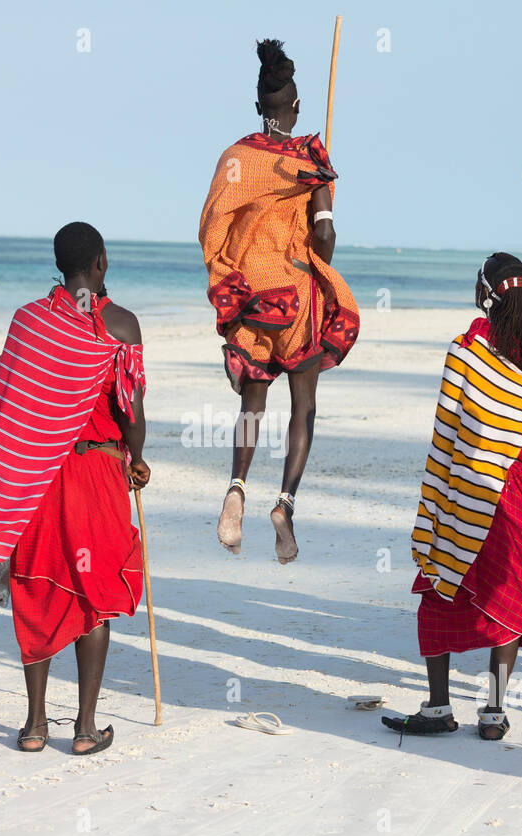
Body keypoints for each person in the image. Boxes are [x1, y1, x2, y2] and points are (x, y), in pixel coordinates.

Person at [0, 223, 148, 755]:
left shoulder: (28, 320)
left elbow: (8, 401)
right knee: (94, 594)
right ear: (101, 263)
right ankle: (84, 729)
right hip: (96, 475)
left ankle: (35, 725)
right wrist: (140, 456)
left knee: (35, 587)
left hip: (32, 477)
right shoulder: (121, 326)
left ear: (62, 266)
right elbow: (131, 408)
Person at [199, 38, 360, 564]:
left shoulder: (236, 159)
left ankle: (236, 488)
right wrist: (323, 191)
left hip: (254, 298)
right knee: (304, 404)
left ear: (258, 109)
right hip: (298, 297)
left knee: (252, 402)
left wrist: (234, 278)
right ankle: (285, 505)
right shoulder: (310, 160)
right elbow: (327, 243)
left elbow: (213, 228)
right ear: (295, 107)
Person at [384, 254, 522, 741]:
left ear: (488, 292)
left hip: (465, 487)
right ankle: (494, 710)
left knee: (442, 584)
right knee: (509, 594)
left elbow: (450, 422)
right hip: (519, 490)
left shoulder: (470, 345)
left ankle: (438, 707)